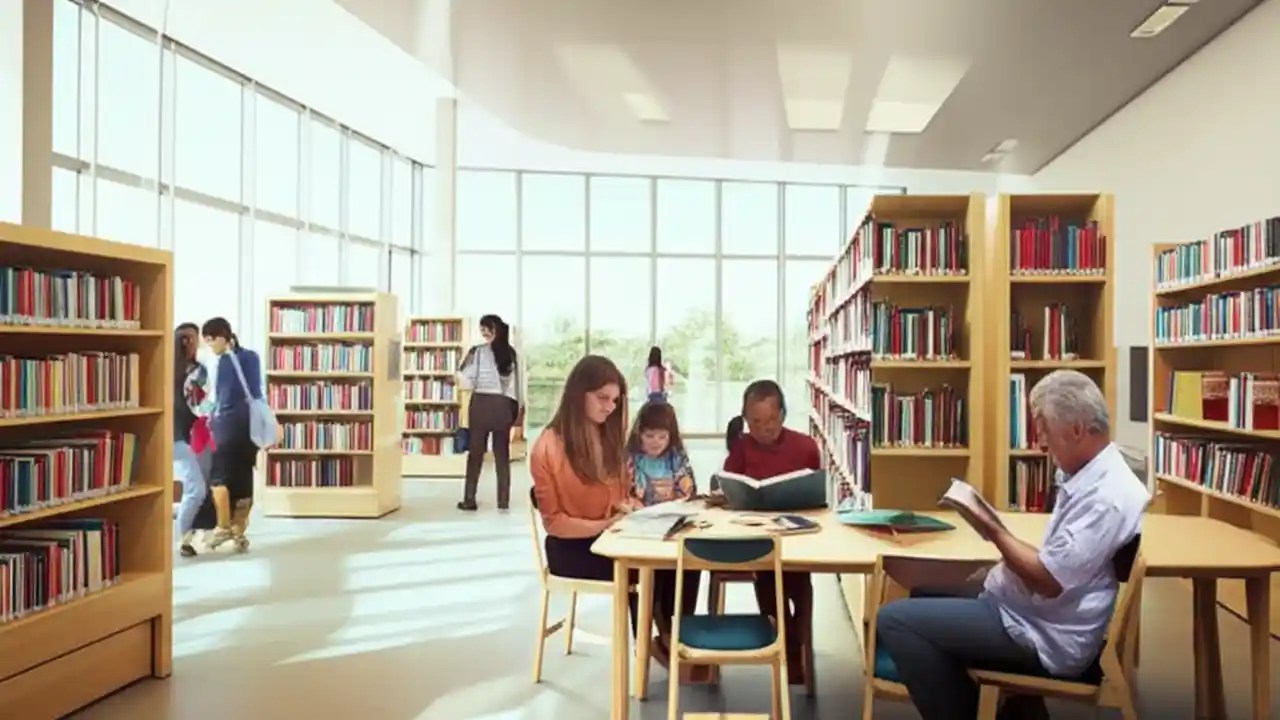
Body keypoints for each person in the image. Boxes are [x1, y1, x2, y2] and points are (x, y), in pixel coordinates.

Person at [875, 370, 1149, 720]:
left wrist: (991, 528)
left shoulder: (1105, 498)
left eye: (1044, 430)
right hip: (1037, 614)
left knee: (895, 621)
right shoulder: (1093, 475)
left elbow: (1049, 581)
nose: (1042, 444)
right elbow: (1061, 561)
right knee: (924, 593)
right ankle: (1018, 710)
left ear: (1077, 430)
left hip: (1042, 634)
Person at [530, 355, 640, 627]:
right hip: (570, 548)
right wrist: (606, 524)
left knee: (678, 562)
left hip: (611, 537)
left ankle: (667, 645)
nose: (610, 408)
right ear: (579, 394)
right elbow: (554, 523)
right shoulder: (547, 447)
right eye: (603, 398)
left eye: (615, 401)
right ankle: (654, 649)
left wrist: (631, 506)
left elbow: (626, 493)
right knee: (652, 568)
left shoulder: (609, 438)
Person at [722, 379, 820, 685]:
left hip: (798, 536)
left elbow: (817, 495)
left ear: (784, 414)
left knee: (799, 578)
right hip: (756, 537)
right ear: (746, 420)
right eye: (756, 422)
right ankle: (787, 642)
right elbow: (728, 485)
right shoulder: (741, 448)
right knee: (766, 575)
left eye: (772, 420)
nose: (765, 428)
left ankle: (793, 640)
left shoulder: (805, 446)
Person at [626, 401, 701, 670]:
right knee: (646, 574)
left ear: (671, 436)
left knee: (691, 565)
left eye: (662, 436)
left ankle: (678, 631)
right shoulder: (631, 459)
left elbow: (689, 491)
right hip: (641, 531)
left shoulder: (676, 457)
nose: (656, 442)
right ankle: (649, 639)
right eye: (649, 436)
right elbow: (627, 495)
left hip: (673, 528)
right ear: (638, 434)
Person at [201, 317, 264, 553]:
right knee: (243, 477)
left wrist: (211, 416)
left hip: (227, 426)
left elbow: (224, 398)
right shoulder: (252, 357)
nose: (211, 347)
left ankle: (222, 526)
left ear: (221, 337)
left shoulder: (226, 361)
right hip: (250, 428)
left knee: (219, 478)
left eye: (210, 341)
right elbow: (256, 391)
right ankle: (239, 531)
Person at [457, 314, 523, 511]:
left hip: (481, 404)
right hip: (503, 405)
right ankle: (503, 501)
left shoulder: (477, 352)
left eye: (485, 328)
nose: (483, 332)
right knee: (502, 455)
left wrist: (456, 377)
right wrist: (519, 409)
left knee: (476, 453)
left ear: (493, 329)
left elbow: (467, 379)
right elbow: (518, 385)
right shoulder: (512, 354)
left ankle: (470, 499)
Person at [173, 322, 213, 557]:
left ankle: (186, 534)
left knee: (193, 485)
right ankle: (183, 539)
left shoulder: (163, 367)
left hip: (167, 435)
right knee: (197, 488)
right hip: (185, 437)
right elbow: (200, 405)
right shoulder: (196, 371)